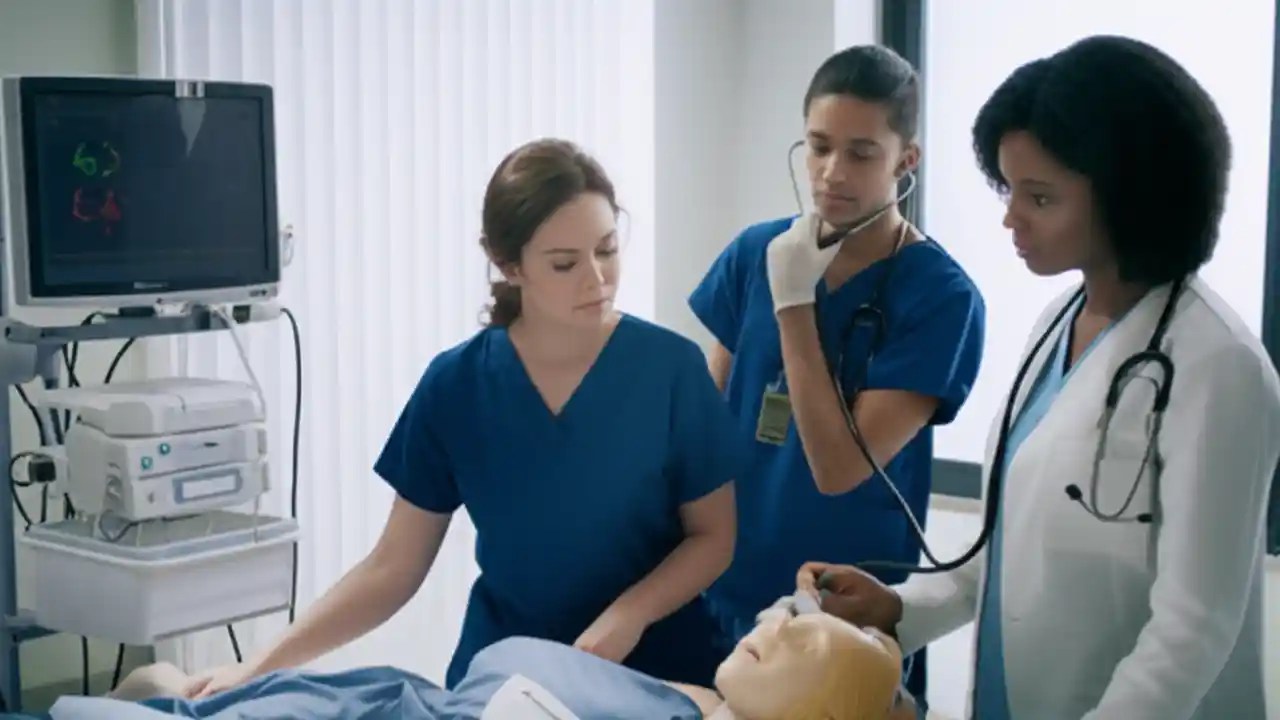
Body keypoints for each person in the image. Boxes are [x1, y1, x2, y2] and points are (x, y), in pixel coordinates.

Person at [796, 34, 1278, 720]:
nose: (1010, 218)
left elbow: (1193, 630)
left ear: (1129, 198)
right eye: (1009, 189)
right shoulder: (1057, 321)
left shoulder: (1219, 368)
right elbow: (1002, 550)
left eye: (1041, 198)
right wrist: (899, 607)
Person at [184, 138, 746, 698]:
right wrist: (256, 667)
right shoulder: (457, 386)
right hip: (508, 678)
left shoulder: (669, 368)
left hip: (660, 666)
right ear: (509, 266)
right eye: (565, 263)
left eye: (607, 250)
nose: (596, 279)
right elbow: (392, 569)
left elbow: (713, 537)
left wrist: (630, 615)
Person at [688, 44, 986, 702]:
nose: (831, 173)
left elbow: (838, 468)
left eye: (861, 152)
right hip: (720, 593)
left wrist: (793, 303)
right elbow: (704, 428)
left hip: (841, 619)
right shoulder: (753, 254)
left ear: (906, 160)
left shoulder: (940, 298)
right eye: (819, 146)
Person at [51, 610, 918, 720]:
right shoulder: (697, 699)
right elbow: (394, 568)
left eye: (803, 637)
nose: (774, 618)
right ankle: (170, 691)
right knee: (181, 691)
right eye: (565, 259)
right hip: (394, 697)